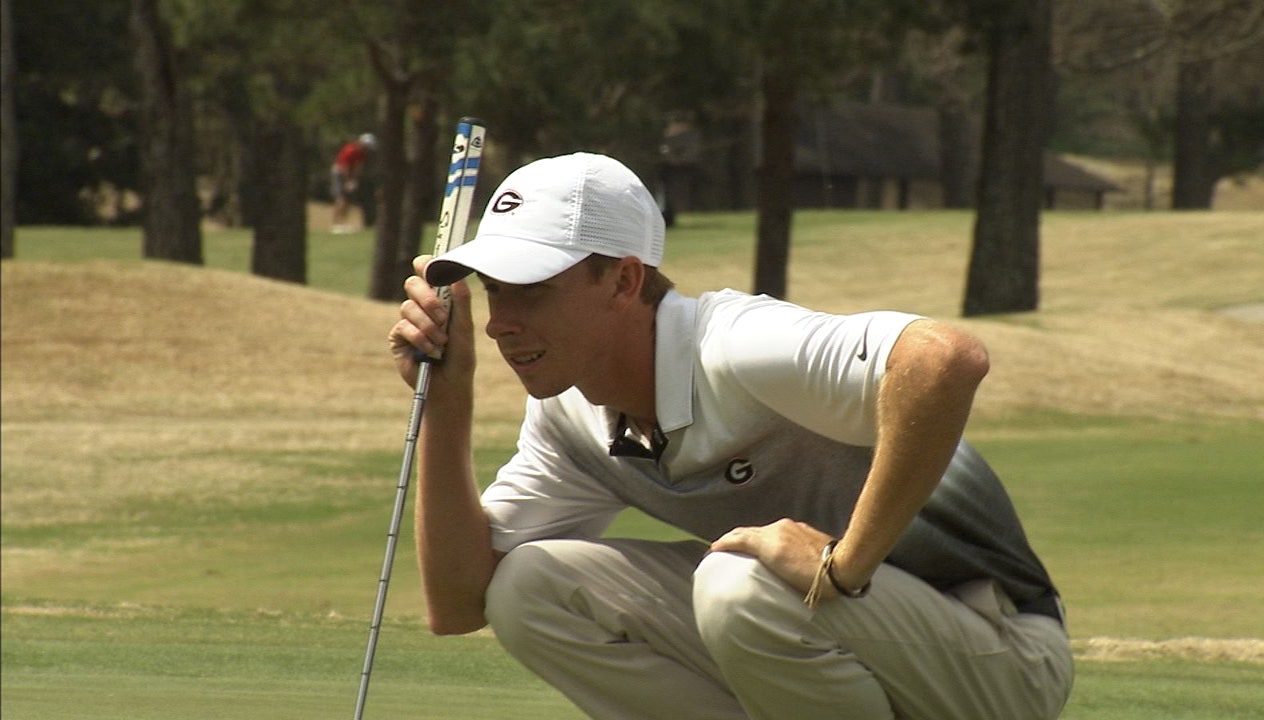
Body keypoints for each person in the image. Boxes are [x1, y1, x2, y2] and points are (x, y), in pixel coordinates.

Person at [388, 152, 1073, 720]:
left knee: (739, 586)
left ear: (623, 280)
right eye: (495, 291)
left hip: (999, 649)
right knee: (529, 589)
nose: (499, 322)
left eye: (532, 289)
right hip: (848, 641)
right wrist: (446, 403)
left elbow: (945, 360)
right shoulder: (569, 417)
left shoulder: (734, 345)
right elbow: (460, 602)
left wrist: (843, 563)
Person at [331, 133, 376, 233]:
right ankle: (335, 224)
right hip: (339, 172)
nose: (368, 149)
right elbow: (345, 168)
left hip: (348, 174)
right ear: (362, 143)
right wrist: (347, 181)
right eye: (367, 146)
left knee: (347, 199)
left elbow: (358, 167)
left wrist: (354, 180)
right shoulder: (350, 150)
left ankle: (342, 223)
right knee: (341, 198)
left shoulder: (362, 153)